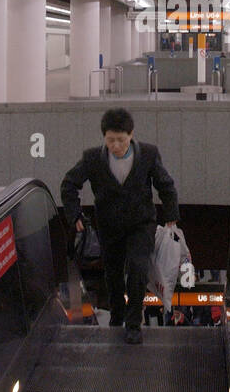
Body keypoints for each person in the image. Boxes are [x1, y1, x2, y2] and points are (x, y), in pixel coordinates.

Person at [61, 107, 179, 345]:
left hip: (141, 224)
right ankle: (116, 317)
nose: (116, 145)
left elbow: (165, 185)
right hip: (109, 227)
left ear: (131, 135)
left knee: (137, 270)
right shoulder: (92, 158)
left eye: (121, 140)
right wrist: (75, 215)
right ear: (104, 138)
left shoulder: (147, 154)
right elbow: (69, 184)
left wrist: (171, 215)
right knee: (113, 276)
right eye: (111, 140)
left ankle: (134, 324)